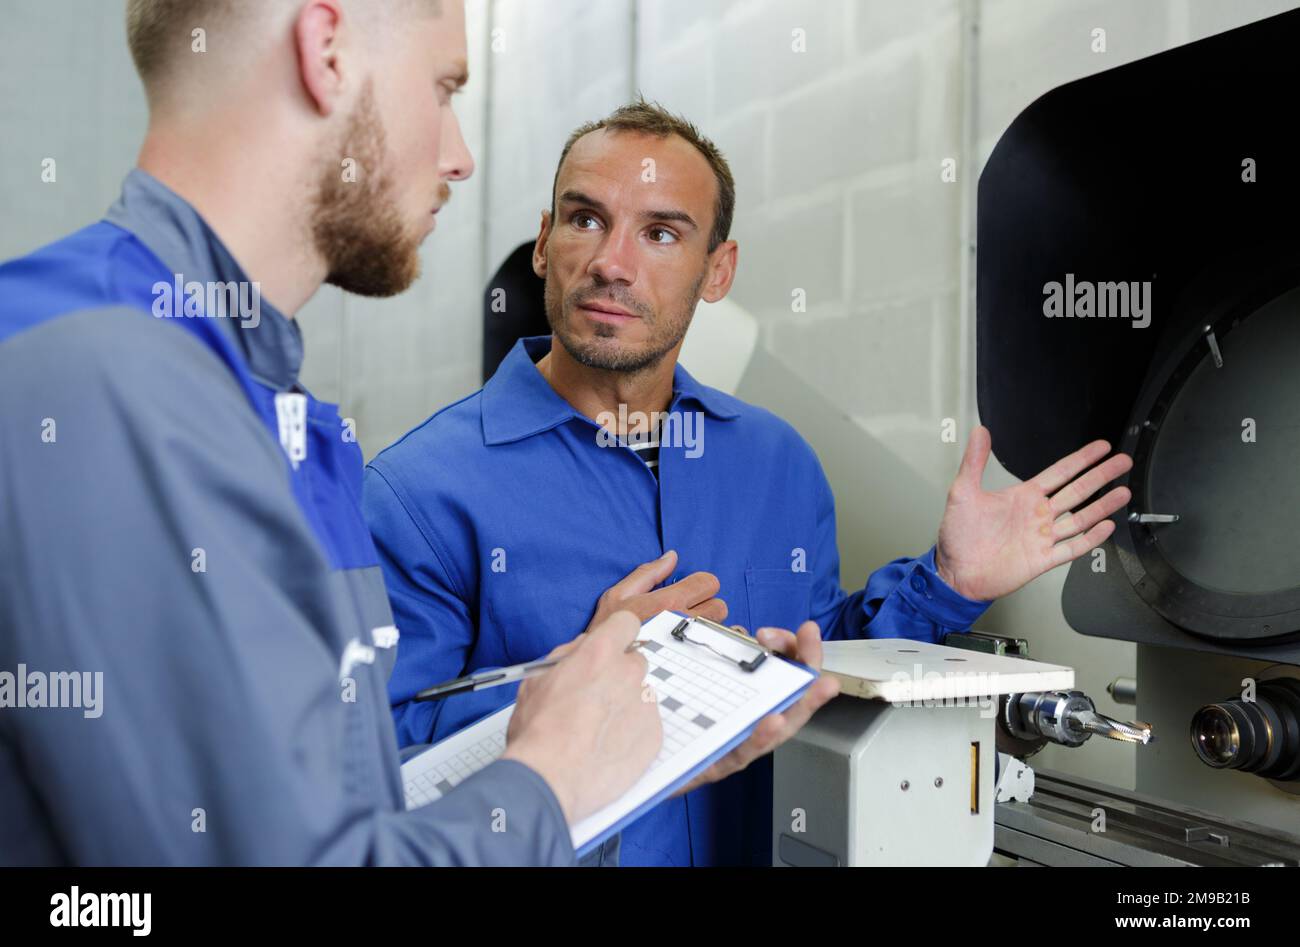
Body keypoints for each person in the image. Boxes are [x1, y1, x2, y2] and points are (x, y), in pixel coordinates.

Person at [0, 0, 832, 866]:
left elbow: (340, 803)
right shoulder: (104, 373)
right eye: (442, 89)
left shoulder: (282, 422)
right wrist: (547, 777)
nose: (459, 157)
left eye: (661, 233)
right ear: (325, 53)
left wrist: (595, 720)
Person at [363, 99, 1135, 866]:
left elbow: (819, 669)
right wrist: (583, 671)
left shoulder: (777, 463)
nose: (611, 262)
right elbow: (376, 778)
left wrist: (947, 581)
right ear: (543, 243)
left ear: (718, 271)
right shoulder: (416, 494)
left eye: (661, 233)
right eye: (585, 219)